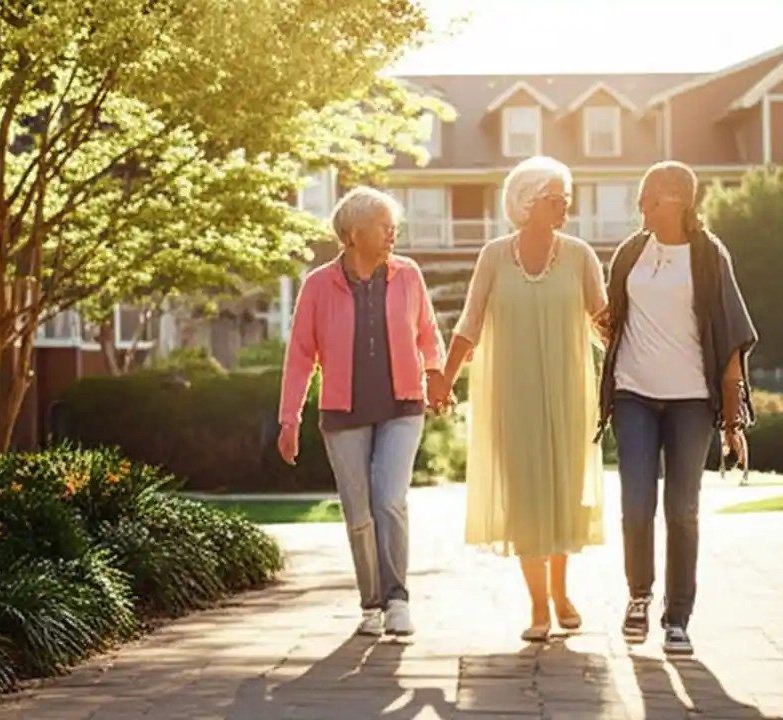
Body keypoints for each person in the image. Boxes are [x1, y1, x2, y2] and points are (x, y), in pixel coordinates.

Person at [433, 156, 608, 642]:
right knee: (526, 497)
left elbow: (603, 322)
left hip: (568, 391)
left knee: (563, 491)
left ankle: (561, 591)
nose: (564, 209)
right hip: (512, 392)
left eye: (566, 201)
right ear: (529, 203)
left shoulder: (579, 256)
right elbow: (469, 324)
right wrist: (444, 379)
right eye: (556, 200)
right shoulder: (493, 255)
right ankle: (538, 606)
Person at [595, 160, 757, 655]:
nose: (639, 205)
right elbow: (613, 317)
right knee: (637, 503)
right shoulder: (631, 252)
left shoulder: (709, 257)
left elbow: (730, 337)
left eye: (646, 196)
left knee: (682, 510)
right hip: (633, 393)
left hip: (691, 398)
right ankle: (638, 597)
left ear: (673, 199)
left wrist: (733, 419)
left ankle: (678, 617)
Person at [277, 186, 449, 639]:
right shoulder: (318, 285)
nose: (392, 231)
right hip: (343, 412)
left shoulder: (407, 275)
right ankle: (370, 603)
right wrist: (289, 418)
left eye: (393, 223)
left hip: (402, 406)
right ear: (354, 234)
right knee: (359, 513)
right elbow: (300, 355)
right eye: (381, 224)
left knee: (389, 499)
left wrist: (436, 374)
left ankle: (397, 599)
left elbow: (428, 333)